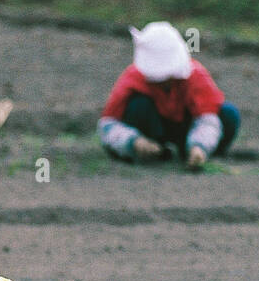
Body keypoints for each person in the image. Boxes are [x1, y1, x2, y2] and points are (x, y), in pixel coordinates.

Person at [98, 21, 240, 171]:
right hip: (152, 130)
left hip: (186, 129)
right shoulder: (132, 78)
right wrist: (133, 141)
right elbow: (108, 124)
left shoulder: (195, 75)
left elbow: (207, 119)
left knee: (227, 114)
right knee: (138, 105)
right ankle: (154, 153)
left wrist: (200, 146)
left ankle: (194, 155)